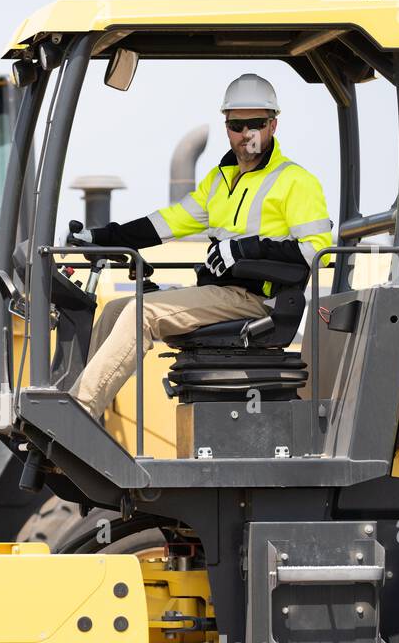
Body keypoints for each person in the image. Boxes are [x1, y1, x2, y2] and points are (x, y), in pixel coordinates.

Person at [69, 74, 333, 417]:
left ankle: (78, 410)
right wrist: (103, 236)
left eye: (256, 124)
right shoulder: (219, 180)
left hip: (257, 300)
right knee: (116, 309)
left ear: (273, 125)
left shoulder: (296, 181)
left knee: (141, 313)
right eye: (237, 125)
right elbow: (168, 222)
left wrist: (245, 250)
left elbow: (316, 252)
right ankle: (89, 416)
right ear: (226, 127)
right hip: (220, 294)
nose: (247, 134)